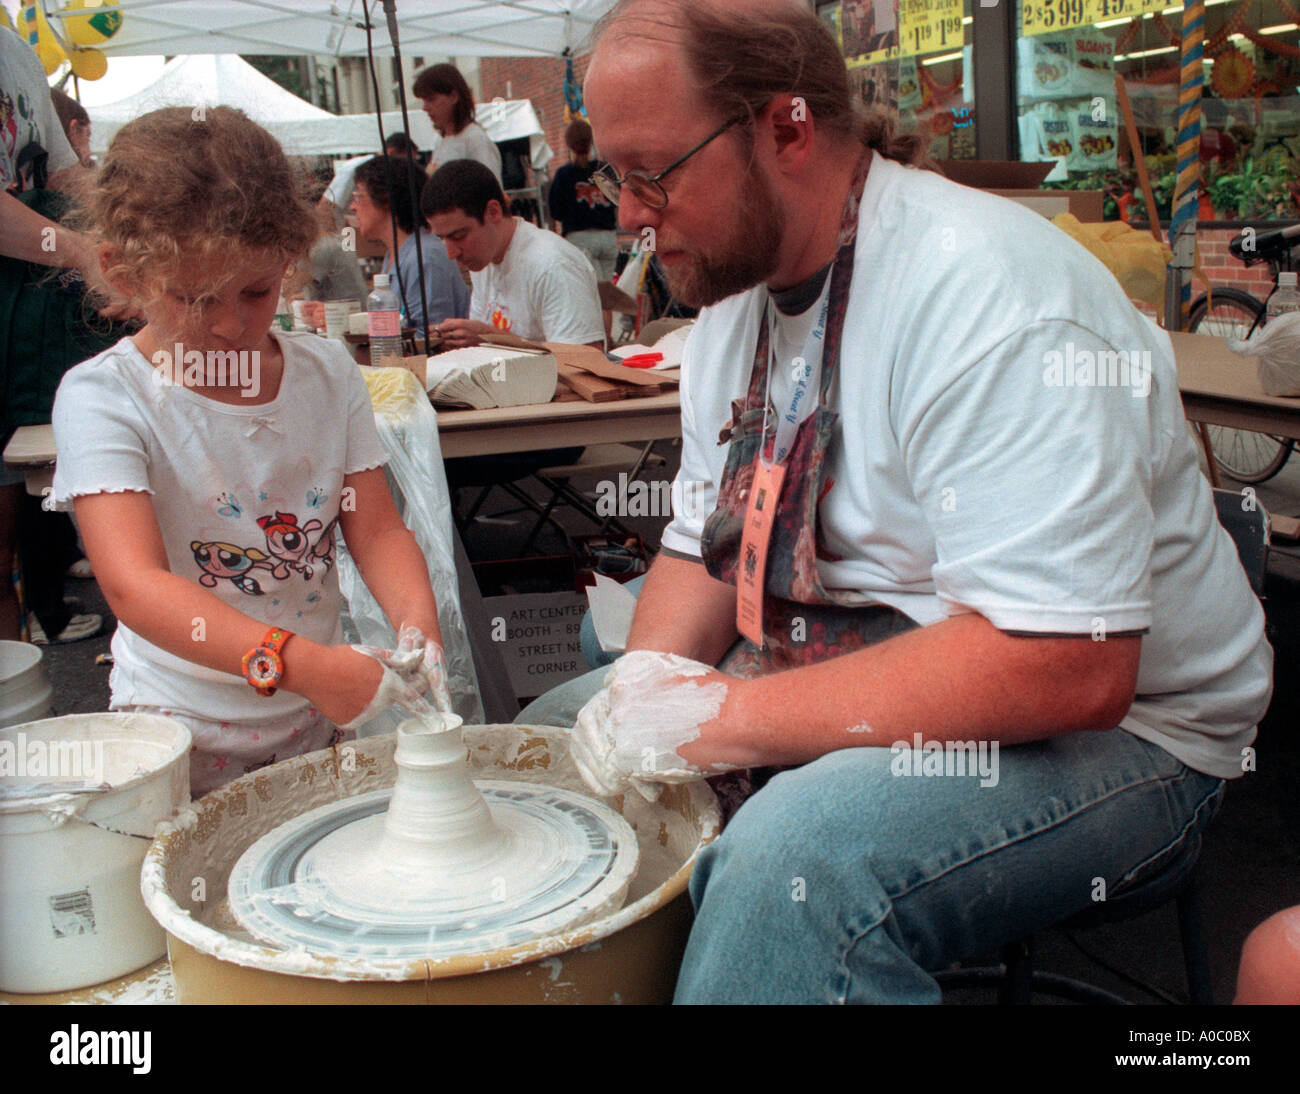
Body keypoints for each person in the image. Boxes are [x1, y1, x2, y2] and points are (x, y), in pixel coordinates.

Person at [520, 0, 1273, 1004]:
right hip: (866, 648)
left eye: (652, 171)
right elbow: (702, 548)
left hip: (1127, 726)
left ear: (787, 128)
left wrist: (728, 720)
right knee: (545, 750)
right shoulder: (733, 309)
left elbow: (1064, 662)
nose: (625, 213)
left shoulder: (988, 298)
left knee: (794, 870)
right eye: (615, 173)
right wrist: (652, 681)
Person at [49, 106, 450, 796]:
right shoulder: (105, 397)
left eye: (258, 291)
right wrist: (301, 665)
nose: (232, 324)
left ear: (289, 264)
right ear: (123, 272)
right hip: (178, 725)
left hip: (312, 719)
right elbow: (134, 585)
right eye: (196, 298)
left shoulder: (326, 375)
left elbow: (377, 529)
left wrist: (416, 622)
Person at [1, 25, 123, 643]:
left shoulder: (14, 50)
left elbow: (61, 175)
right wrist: (86, 253)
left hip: (20, 322)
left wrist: (129, 217)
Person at [422, 159, 605, 349]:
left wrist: (491, 337)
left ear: (493, 212)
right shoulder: (483, 261)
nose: (450, 253)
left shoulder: (552, 265)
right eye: (442, 239)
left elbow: (586, 362)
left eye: (459, 236)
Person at [350, 155, 468, 329]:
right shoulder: (397, 254)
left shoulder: (424, 257)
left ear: (385, 198)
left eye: (358, 196)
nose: (353, 206)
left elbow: (430, 340)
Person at [549, 117, 619, 280]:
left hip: (579, 238)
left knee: (590, 292)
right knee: (607, 291)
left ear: (569, 144)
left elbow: (556, 212)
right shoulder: (604, 169)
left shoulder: (563, 175)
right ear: (591, 140)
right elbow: (618, 198)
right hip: (607, 236)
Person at [414, 63, 503, 183]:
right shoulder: (441, 141)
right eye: (424, 101)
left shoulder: (474, 139)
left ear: (454, 96)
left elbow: (491, 189)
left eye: (431, 99)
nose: (425, 108)